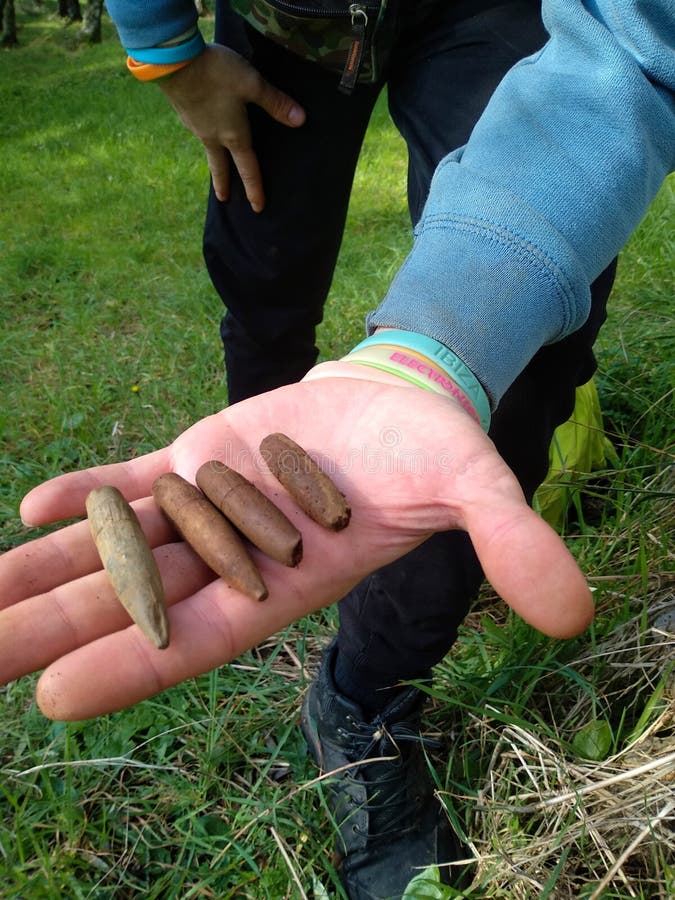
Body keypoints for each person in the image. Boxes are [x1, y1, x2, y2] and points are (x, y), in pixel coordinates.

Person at [1, 0, 673, 896]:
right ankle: (278, 502)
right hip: (290, 16)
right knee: (266, 282)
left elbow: (634, 46)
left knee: (518, 368)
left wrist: (433, 354)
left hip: (499, 8)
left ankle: (366, 694)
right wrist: (163, 48)